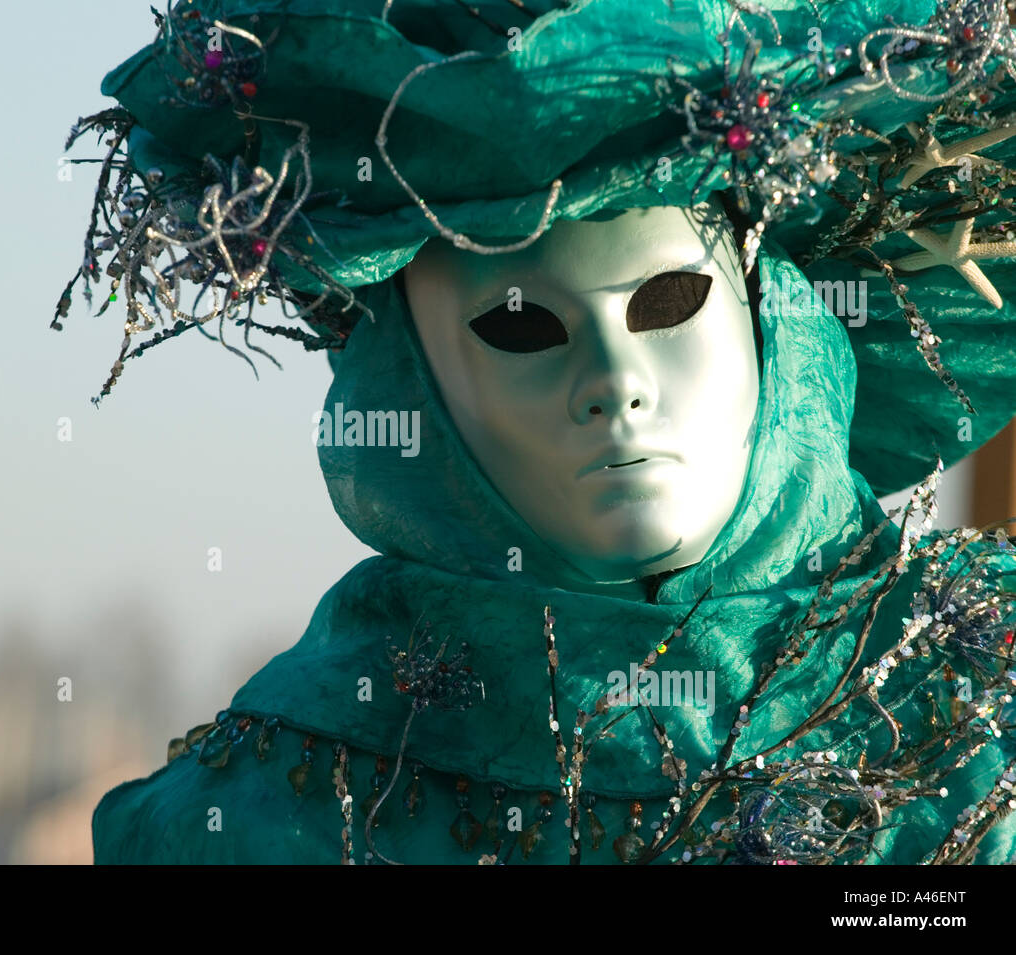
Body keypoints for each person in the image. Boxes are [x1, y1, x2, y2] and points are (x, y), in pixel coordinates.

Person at [59, 0, 1016, 864]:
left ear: (775, 322)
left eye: (669, 301)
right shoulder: (263, 814)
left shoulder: (982, 706)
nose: (614, 387)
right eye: (521, 327)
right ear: (412, 385)